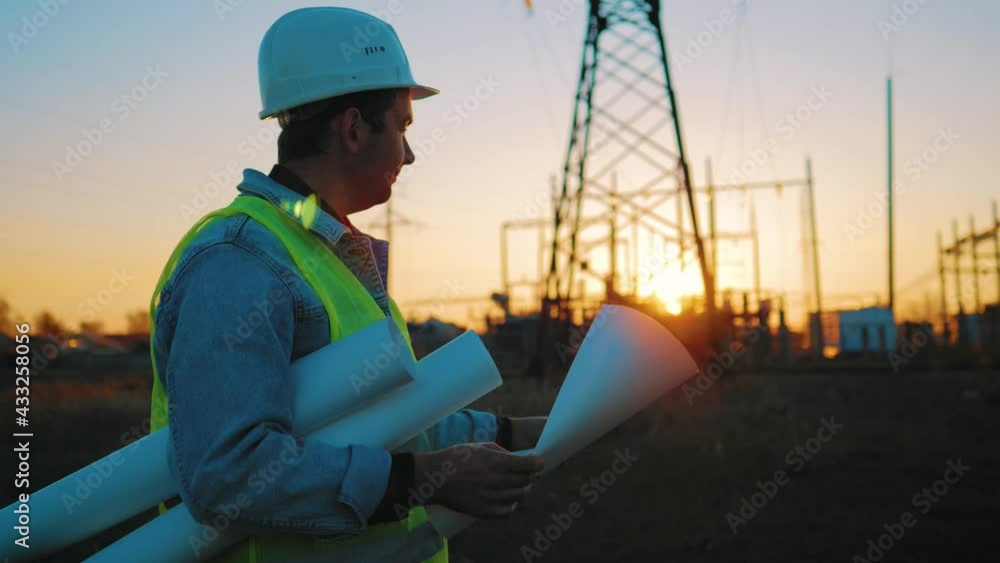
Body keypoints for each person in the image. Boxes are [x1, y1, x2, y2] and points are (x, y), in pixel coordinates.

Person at [148, 7, 547, 563]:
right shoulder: (238, 260)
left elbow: (385, 418)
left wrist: (512, 434)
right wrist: (424, 479)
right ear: (353, 129)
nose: (410, 153)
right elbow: (228, 474)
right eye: (403, 127)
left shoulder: (325, 255)